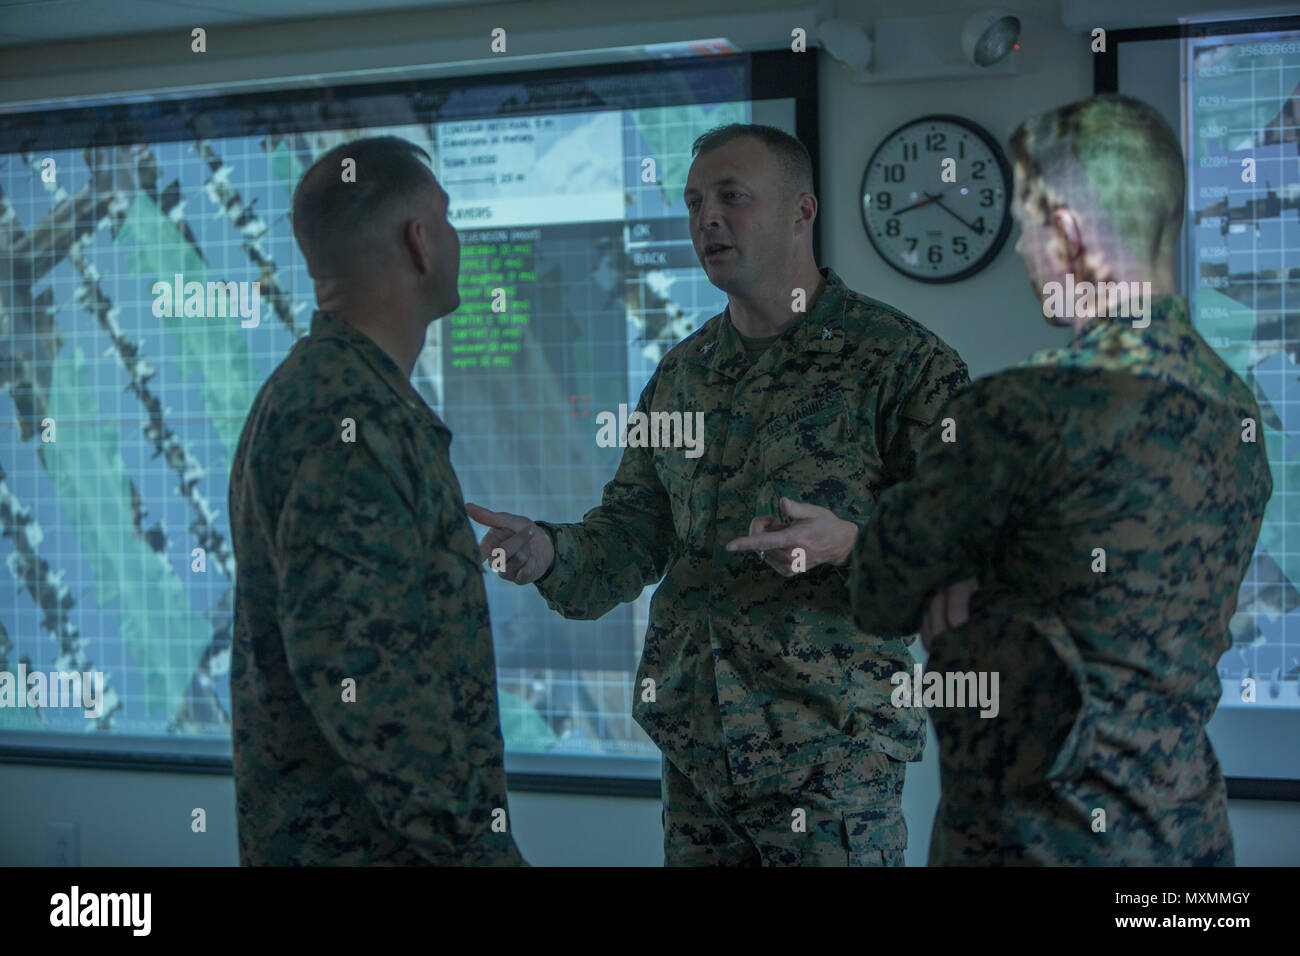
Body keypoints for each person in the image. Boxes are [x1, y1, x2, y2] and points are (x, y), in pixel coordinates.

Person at [748, 94, 1272, 864]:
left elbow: (880, 593)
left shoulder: (1018, 412)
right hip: (1186, 837)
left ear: (1065, 234)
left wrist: (964, 600)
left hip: (1034, 840)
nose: (1027, 251)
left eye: (1027, 227)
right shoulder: (1236, 409)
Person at [469, 123, 968, 866]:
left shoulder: (900, 364)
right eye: (695, 201)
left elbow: (964, 553)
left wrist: (847, 546)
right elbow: (635, 530)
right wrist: (547, 552)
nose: (707, 219)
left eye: (731, 197)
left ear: (802, 211)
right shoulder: (683, 373)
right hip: (700, 761)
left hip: (830, 767)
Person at [229, 136, 524, 865]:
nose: (455, 239)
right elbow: (366, 685)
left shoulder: (327, 393)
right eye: (447, 221)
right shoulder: (347, 422)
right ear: (419, 242)